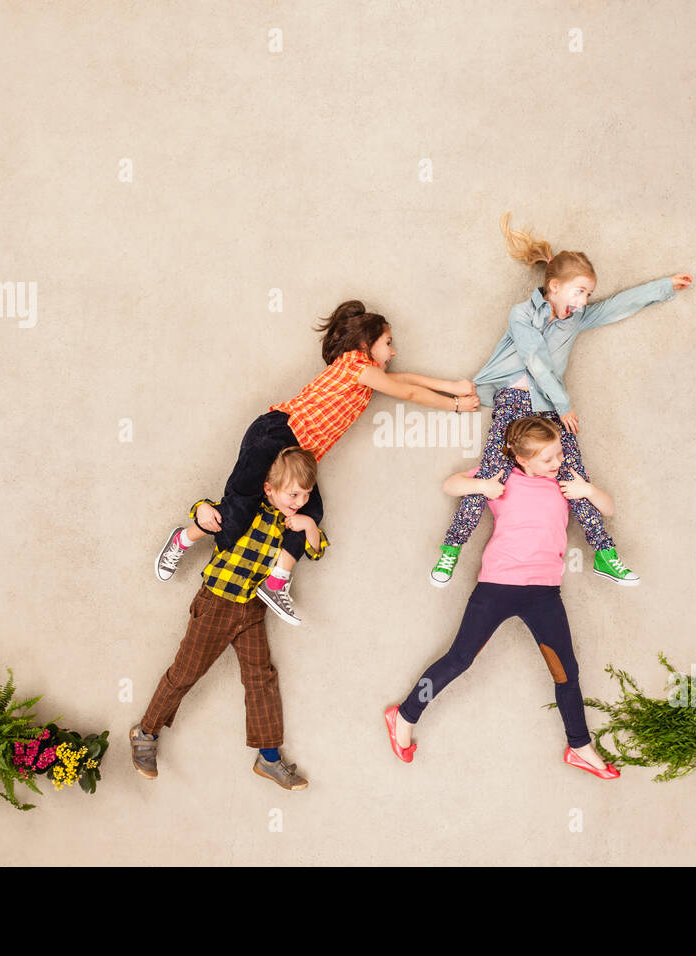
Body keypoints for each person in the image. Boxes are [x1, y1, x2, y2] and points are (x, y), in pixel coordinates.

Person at [156, 299, 480, 627]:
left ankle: (276, 581)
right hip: (276, 434)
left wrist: (451, 386)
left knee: (309, 514)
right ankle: (182, 540)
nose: (393, 351)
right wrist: (454, 405)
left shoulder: (368, 372)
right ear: (366, 344)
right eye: (388, 343)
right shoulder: (357, 365)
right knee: (235, 517)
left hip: (298, 453)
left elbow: (402, 381)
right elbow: (406, 392)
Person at [430, 212, 693, 589]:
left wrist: (663, 286)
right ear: (553, 287)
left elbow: (617, 305)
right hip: (515, 402)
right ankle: (452, 548)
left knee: (573, 476)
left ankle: (604, 553)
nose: (584, 301)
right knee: (490, 476)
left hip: (550, 411)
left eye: (587, 294)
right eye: (579, 292)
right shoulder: (521, 315)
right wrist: (565, 405)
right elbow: (535, 360)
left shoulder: (576, 319)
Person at [388, 417, 621, 778]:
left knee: (566, 673)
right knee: (460, 658)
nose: (558, 462)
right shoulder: (502, 476)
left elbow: (607, 509)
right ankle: (405, 714)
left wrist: (586, 490)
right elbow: (451, 485)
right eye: (548, 459)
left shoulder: (565, 481)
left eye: (559, 453)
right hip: (496, 587)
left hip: (544, 593)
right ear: (522, 460)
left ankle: (579, 746)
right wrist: (483, 485)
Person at [131, 447, 327, 790]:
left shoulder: (292, 523)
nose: (299, 500)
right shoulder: (248, 508)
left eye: (306, 494)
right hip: (217, 602)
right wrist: (202, 509)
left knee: (261, 678)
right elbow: (206, 511)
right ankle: (145, 732)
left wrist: (308, 523)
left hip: (252, 609)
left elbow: (316, 549)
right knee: (186, 672)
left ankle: (268, 758)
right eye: (292, 493)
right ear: (269, 488)